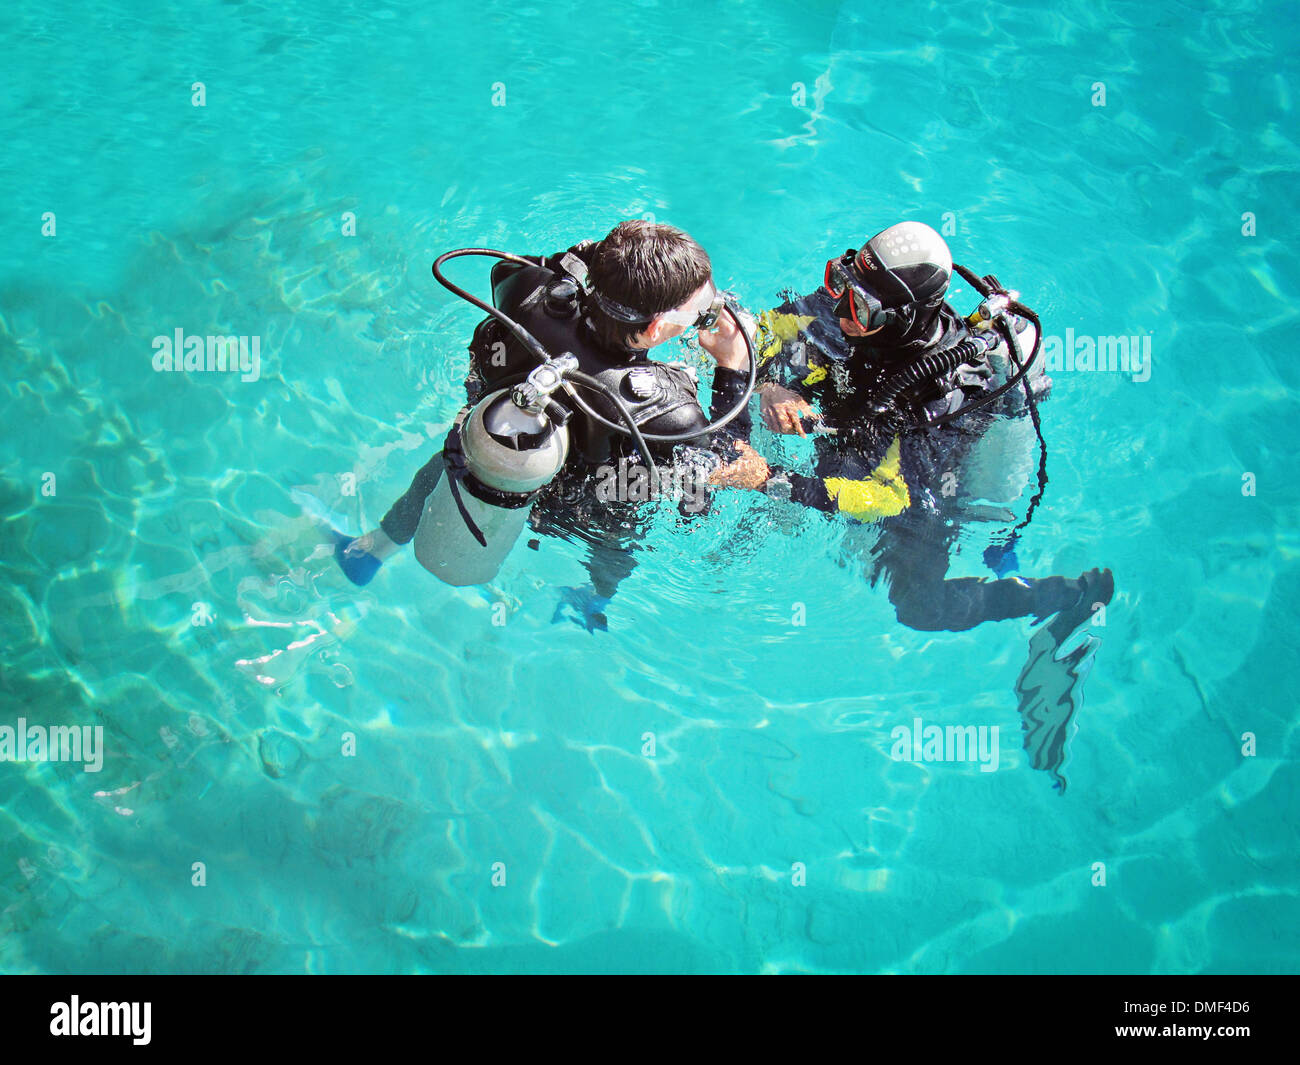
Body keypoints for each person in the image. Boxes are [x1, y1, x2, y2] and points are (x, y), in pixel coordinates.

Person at [714, 221, 1114, 790]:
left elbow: (886, 499)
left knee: (919, 607)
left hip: (919, 476)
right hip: (861, 433)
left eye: (859, 303)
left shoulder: (938, 391)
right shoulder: (838, 306)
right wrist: (768, 387)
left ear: (898, 317)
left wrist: (773, 480)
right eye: (839, 281)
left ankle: (1060, 599)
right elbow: (758, 335)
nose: (839, 305)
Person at [332, 220, 763, 630]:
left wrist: (589, 263)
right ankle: (594, 601)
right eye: (695, 313)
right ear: (655, 328)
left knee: (448, 465)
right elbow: (718, 476)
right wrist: (733, 368)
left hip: (499, 452)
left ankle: (370, 550)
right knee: (616, 539)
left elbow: (511, 266)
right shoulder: (667, 409)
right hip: (582, 508)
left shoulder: (527, 293)